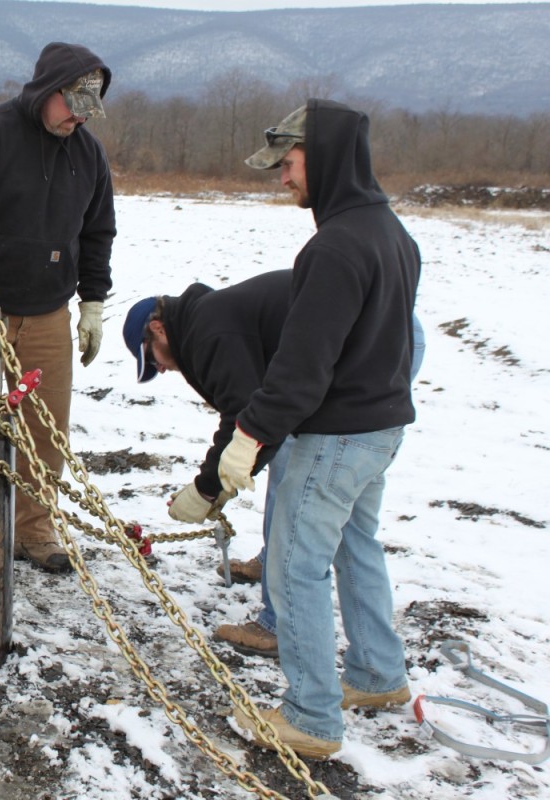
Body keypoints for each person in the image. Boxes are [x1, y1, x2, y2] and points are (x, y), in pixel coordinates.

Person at [219, 100, 421, 760]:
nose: (283, 176)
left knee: (295, 567)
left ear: (326, 157)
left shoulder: (334, 248)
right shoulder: (391, 232)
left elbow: (303, 369)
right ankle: (377, 674)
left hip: (335, 439)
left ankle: (310, 716)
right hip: (380, 431)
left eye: (292, 163)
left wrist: (250, 436)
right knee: (356, 545)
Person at [123, 278, 425, 661]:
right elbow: (256, 414)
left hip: (374, 337)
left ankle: (278, 624)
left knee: (299, 497)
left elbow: (245, 417)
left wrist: (207, 489)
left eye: (153, 359)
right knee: (330, 505)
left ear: (158, 328)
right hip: (380, 327)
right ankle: (374, 662)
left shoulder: (210, 330)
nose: (161, 370)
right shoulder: (205, 322)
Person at [0, 42, 117, 573]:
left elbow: (98, 232)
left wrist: (93, 303)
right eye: (73, 103)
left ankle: (33, 531)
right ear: (46, 89)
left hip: (49, 311)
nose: (79, 117)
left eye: (89, 108)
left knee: (45, 428)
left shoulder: (89, 153)